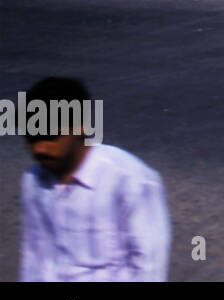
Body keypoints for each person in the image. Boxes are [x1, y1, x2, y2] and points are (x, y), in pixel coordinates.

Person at [21, 77, 170, 281]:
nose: (40, 148)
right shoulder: (34, 181)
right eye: (32, 138)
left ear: (80, 127)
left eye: (51, 136)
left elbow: (149, 267)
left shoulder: (130, 180)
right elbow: (35, 256)